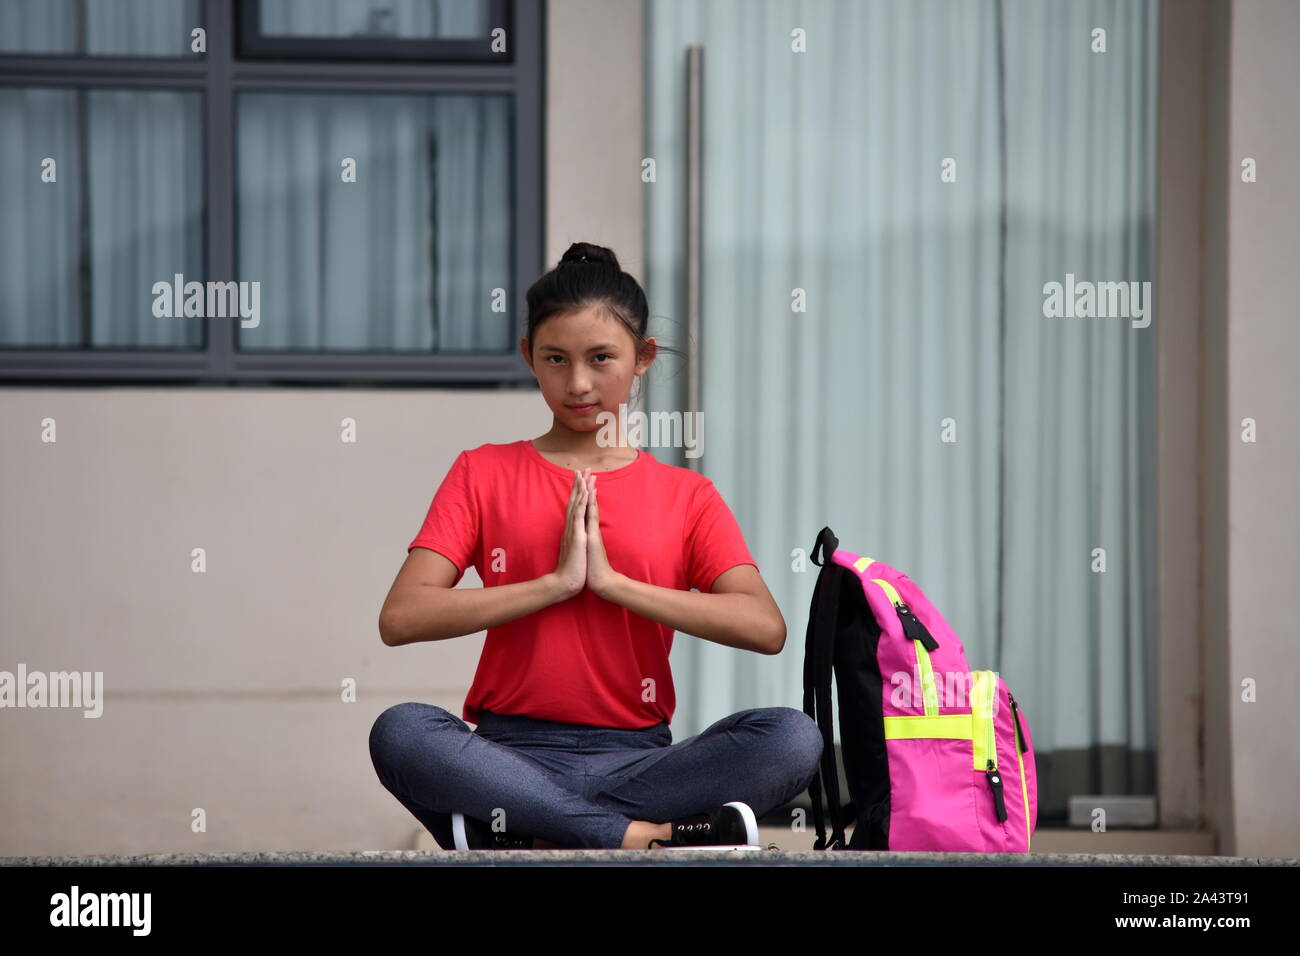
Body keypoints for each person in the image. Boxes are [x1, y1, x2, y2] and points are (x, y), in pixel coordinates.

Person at [368, 241, 823, 850]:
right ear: (530, 355)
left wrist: (616, 586)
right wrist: (553, 585)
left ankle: (526, 830)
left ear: (643, 357)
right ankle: (642, 838)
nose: (578, 383)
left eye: (601, 358)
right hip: (507, 756)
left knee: (793, 737)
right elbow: (401, 618)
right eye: (556, 359)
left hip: (641, 765)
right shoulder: (483, 472)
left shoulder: (687, 495)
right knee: (401, 732)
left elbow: (765, 628)